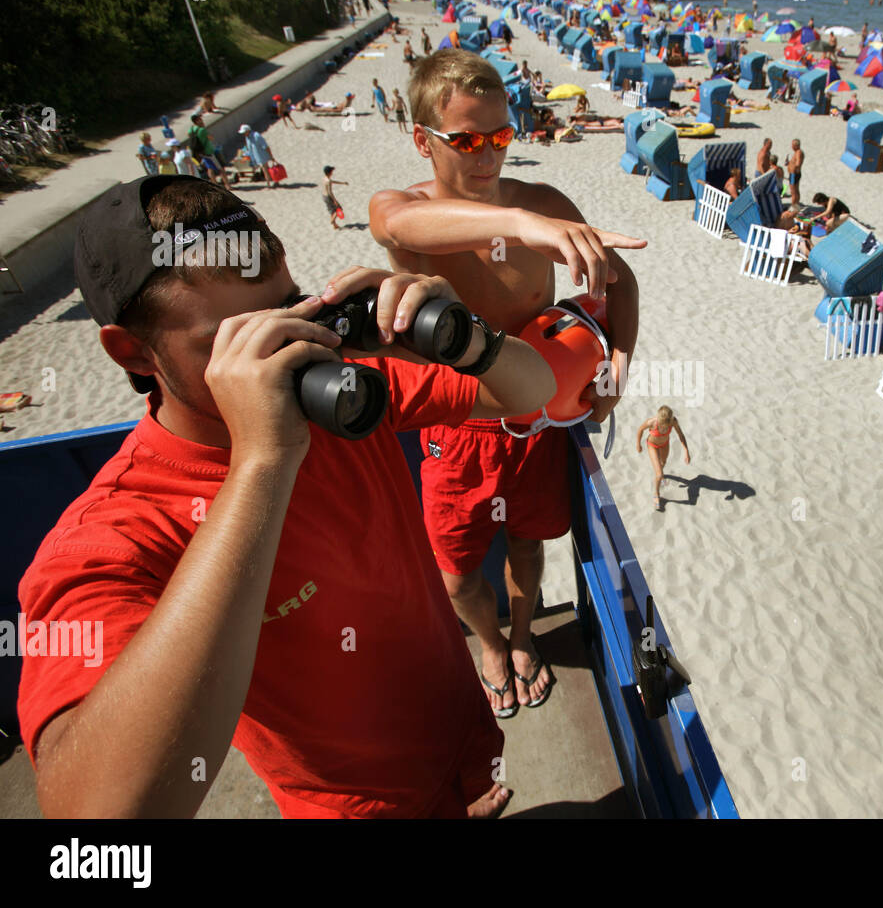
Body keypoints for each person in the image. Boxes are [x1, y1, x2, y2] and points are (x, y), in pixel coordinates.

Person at [16, 173, 554, 818]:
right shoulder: (118, 534)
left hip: (459, 733)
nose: (286, 357)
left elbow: (532, 392)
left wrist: (465, 337)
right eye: (232, 341)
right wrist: (262, 461)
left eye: (291, 310)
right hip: (357, 804)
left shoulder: (352, 392)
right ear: (133, 353)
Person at [367, 49, 645, 718]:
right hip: (458, 427)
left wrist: (623, 355)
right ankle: (487, 646)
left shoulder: (543, 204)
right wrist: (516, 225)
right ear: (422, 140)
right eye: (465, 140)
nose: (488, 156)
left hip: (541, 423)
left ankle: (522, 640)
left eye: (500, 136)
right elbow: (394, 223)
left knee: (528, 543)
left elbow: (619, 278)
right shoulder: (410, 210)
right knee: (459, 572)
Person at [637, 406, 690, 512]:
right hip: (652, 445)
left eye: (666, 427)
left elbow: (681, 435)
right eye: (662, 426)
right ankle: (656, 494)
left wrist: (686, 452)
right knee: (660, 474)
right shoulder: (652, 422)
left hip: (665, 444)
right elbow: (640, 430)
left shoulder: (673, 422)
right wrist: (638, 444)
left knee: (663, 462)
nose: (665, 428)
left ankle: (660, 478)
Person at [237, 124, 277, 188]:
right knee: (267, 169)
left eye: (244, 132)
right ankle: (273, 181)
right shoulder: (247, 138)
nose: (244, 134)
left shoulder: (256, 136)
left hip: (262, 155)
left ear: (248, 131)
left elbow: (266, 146)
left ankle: (269, 184)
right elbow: (249, 148)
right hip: (257, 157)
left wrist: (271, 156)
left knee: (265, 169)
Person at [786, 139, 804, 206]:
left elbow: (798, 163)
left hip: (794, 174)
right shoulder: (797, 152)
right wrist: (789, 163)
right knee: (796, 190)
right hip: (794, 174)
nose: (791, 146)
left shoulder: (799, 153)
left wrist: (793, 168)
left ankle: (794, 205)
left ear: (796, 145)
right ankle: (796, 204)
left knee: (793, 192)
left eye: (792, 145)